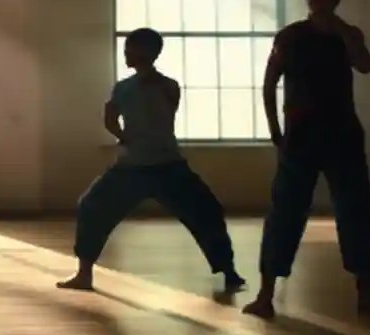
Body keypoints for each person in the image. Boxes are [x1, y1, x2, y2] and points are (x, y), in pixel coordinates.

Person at [243, 0, 370, 319]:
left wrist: (341, 29)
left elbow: (365, 65)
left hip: (343, 135)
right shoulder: (291, 36)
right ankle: (266, 294)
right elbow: (270, 82)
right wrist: (275, 129)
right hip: (300, 136)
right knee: (285, 212)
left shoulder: (348, 34)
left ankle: (366, 292)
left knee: (355, 210)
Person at [58, 27, 246, 293]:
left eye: (130, 49)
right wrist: (124, 136)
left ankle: (229, 271)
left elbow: (156, 115)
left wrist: (126, 133)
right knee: (91, 206)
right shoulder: (126, 88)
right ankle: (84, 274)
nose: (125, 54)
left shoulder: (166, 86)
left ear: (146, 52)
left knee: (207, 211)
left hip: (167, 166)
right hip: (132, 167)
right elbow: (111, 119)